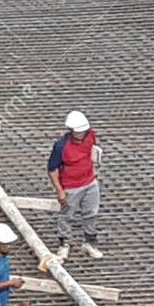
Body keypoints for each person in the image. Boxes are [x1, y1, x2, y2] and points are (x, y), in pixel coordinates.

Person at [47, 109, 102, 262]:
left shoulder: (90, 135)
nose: (81, 135)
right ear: (71, 131)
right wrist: (60, 191)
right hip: (71, 186)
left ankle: (89, 243)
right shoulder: (61, 146)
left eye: (83, 132)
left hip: (90, 182)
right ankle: (64, 244)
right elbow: (52, 169)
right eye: (78, 132)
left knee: (91, 213)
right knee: (66, 215)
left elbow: (92, 151)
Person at [0, 222, 24, 293]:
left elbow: (1, 280)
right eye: (7, 244)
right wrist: (10, 283)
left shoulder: (4, 259)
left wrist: (13, 282)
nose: (10, 246)